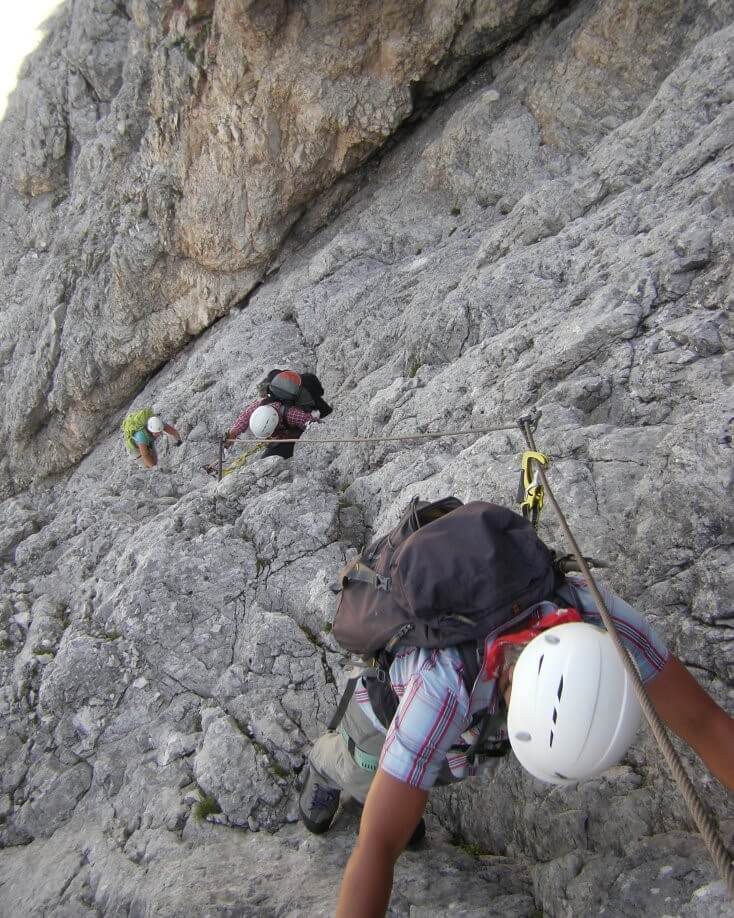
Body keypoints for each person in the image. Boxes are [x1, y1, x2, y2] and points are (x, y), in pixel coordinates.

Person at [298, 572, 734, 918]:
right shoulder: (443, 685)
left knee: (427, 780)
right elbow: (375, 845)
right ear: (510, 685)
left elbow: (705, 722)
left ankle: (404, 798)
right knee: (364, 774)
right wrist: (389, 826)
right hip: (385, 712)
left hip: (468, 735)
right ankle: (325, 765)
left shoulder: (600, 617)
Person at [224, 369, 328, 459]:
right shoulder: (259, 405)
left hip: (295, 432)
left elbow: (314, 425)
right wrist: (233, 433)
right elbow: (244, 417)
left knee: (271, 457)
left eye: (270, 434)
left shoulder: (292, 414)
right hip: (284, 430)